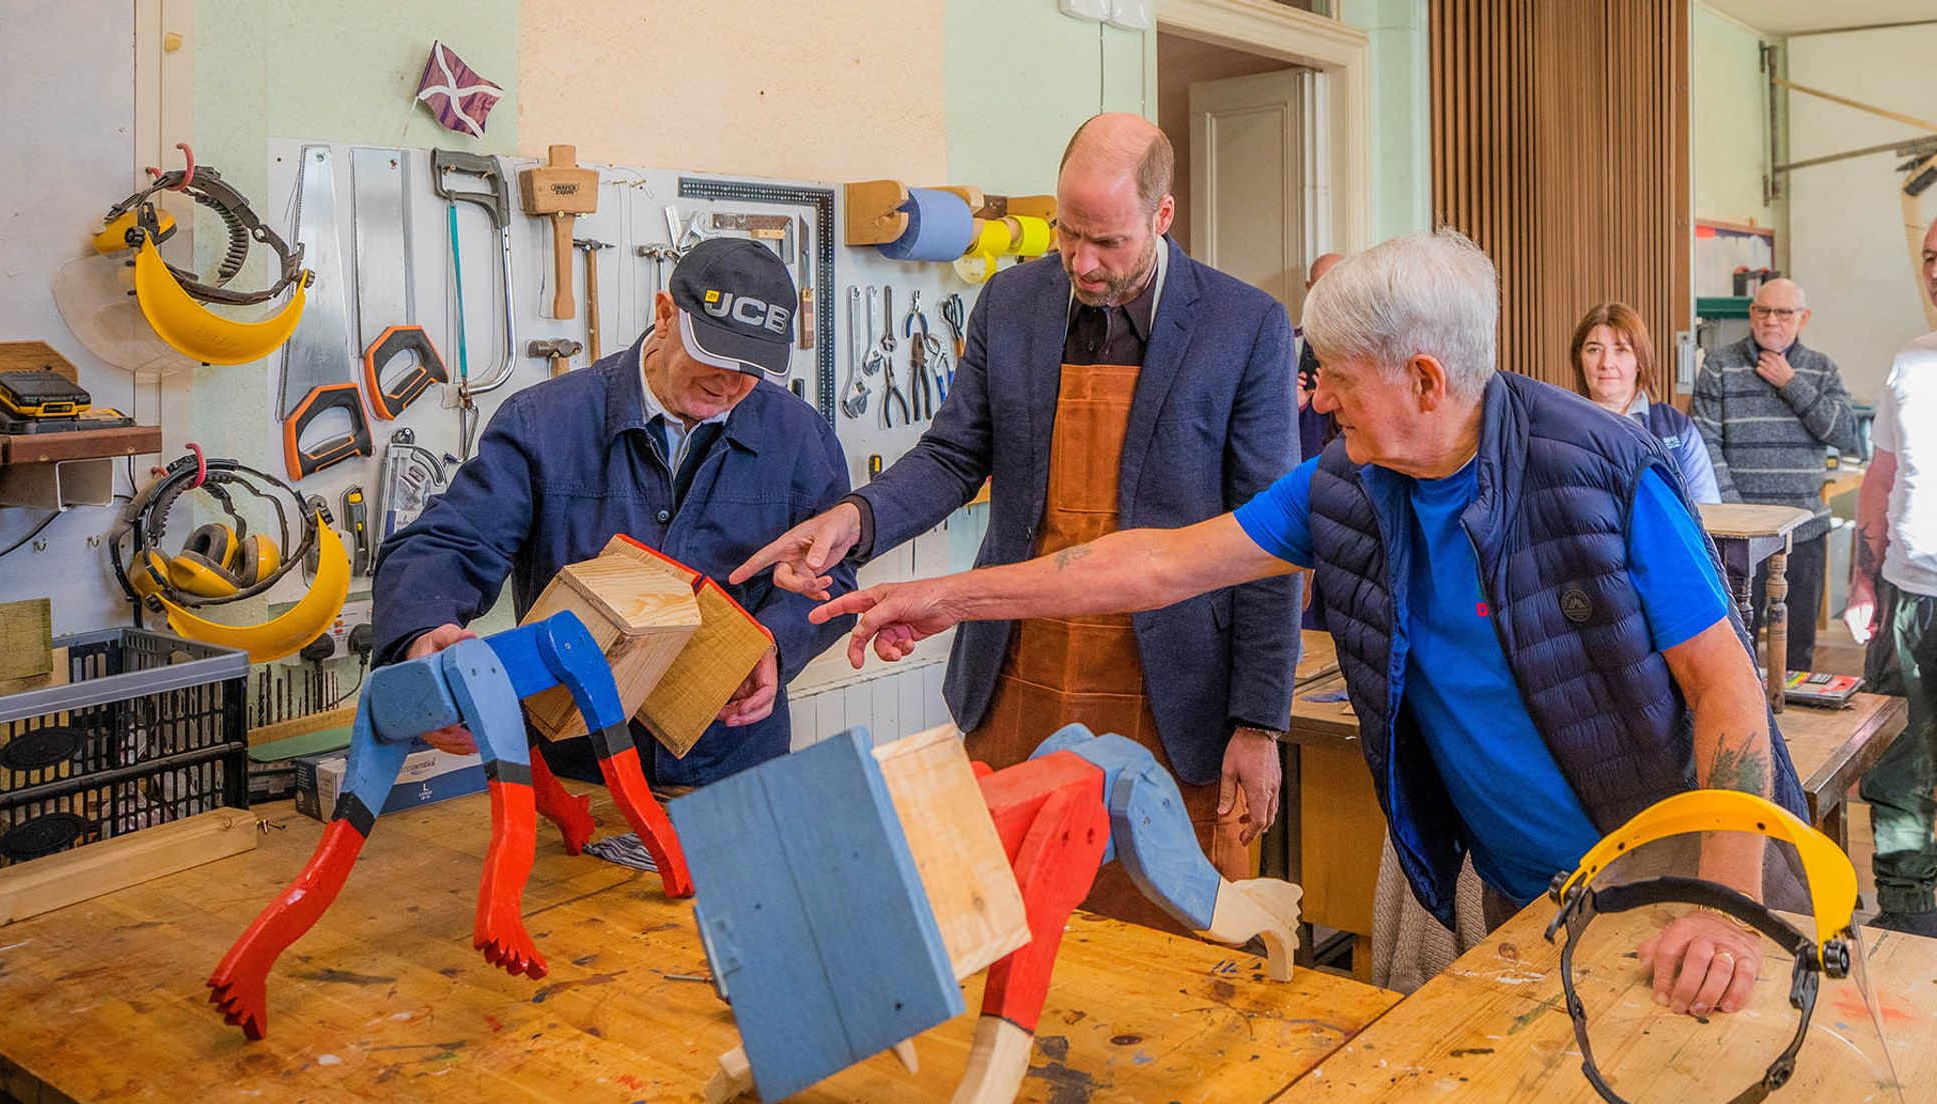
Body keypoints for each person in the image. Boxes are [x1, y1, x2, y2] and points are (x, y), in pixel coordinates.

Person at [813, 230, 1809, 1017]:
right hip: (1512, 884)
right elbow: (1154, 562)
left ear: (1422, 380)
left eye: (1334, 373)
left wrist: (1721, 905)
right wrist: (945, 596)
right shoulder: (1344, 485)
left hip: (1677, 866)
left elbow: (1725, 690)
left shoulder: (1595, 470)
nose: (1314, 394)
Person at [731, 113, 1301, 932]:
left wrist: (1256, 720)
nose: (1082, 262)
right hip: (1016, 670)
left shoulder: (1242, 328)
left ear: (1163, 217)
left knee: (1169, 949)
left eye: (1107, 242)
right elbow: (954, 456)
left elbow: (1269, 541)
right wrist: (853, 519)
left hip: (1175, 697)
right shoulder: (1013, 301)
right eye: (1069, 234)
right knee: (1003, 917)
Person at [371, 238, 856, 787]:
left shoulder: (801, 439)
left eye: (750, 370)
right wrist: (421, 641)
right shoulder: (545, 424)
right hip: (574, 770)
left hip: (732, 765)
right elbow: (450, 544)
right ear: (665, 314)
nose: (729, 383)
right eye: (715, 356)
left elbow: (834, 578)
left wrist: (772, 643)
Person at [1843, 218, 1937, 938]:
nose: (1935, 270)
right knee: (1897, 768)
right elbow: (1880, 478)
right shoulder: (1909, 361)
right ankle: (1910, 917)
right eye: (1930, 258)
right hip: (1908, 596)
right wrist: (1864, 581)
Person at [1692, 277, 1860, 671]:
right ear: (1752, 314)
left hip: (1804, 530)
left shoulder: (1820, 369)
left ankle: (1794, 728)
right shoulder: (1720, 365)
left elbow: (1846, 435)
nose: (1772, 321)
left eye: (1784, 313)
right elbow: (1705, 444)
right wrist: (1739, 517)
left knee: (1798, 647)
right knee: (1737, 644)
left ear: (1803, 318)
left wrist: (1791, 383)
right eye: (1763, 311)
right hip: (1738, 536)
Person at [1569, 302, 1725, 505]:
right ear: (1579, 358)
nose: (1606, 363)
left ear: (1640, 362)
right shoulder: (1558, 427)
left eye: (1621, 350)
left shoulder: (1678, 429)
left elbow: (1708, 515)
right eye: (1594, 350)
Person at [1297, 252, 1345, 461]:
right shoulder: (1285, 343)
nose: (1329, 294)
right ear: (1309, 288)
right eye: (1321, 285)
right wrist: (1289, 403)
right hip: (1299, 461)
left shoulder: (1369, 349)